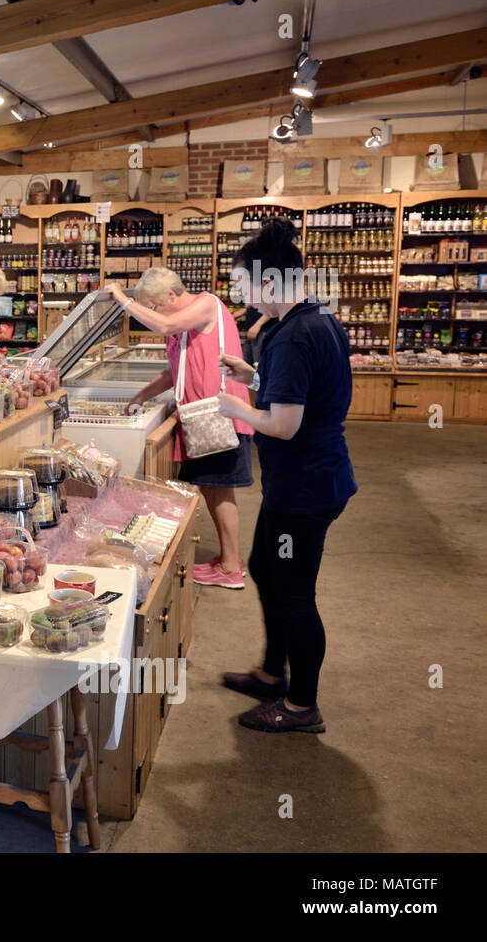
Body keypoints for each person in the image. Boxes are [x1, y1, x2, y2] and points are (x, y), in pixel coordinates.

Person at [215, 217, 356, 734]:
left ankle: (300, 706)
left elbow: (283, 423)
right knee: (265, 568)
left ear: (269, 283)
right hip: (308, 479)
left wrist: (238, 407)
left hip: (304, 485)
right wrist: (252, 376)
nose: (243, 295)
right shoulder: (315, 320)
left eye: (244, 284)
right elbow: (303, 390)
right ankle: (272, 672)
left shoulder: (292, 337)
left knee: (294, 592)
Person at [107, 268, 254, 588]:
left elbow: (163, 324)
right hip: (202, 418)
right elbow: (173, 372)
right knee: (213, 487)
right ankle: (227, 560)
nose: (155, 313)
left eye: (155, 305)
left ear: (171, 295)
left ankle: (231, 568)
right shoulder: (182, 327)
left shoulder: (207, 305)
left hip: (220, 415)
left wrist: (121, 299)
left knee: (222, 489)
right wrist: (139, 397)